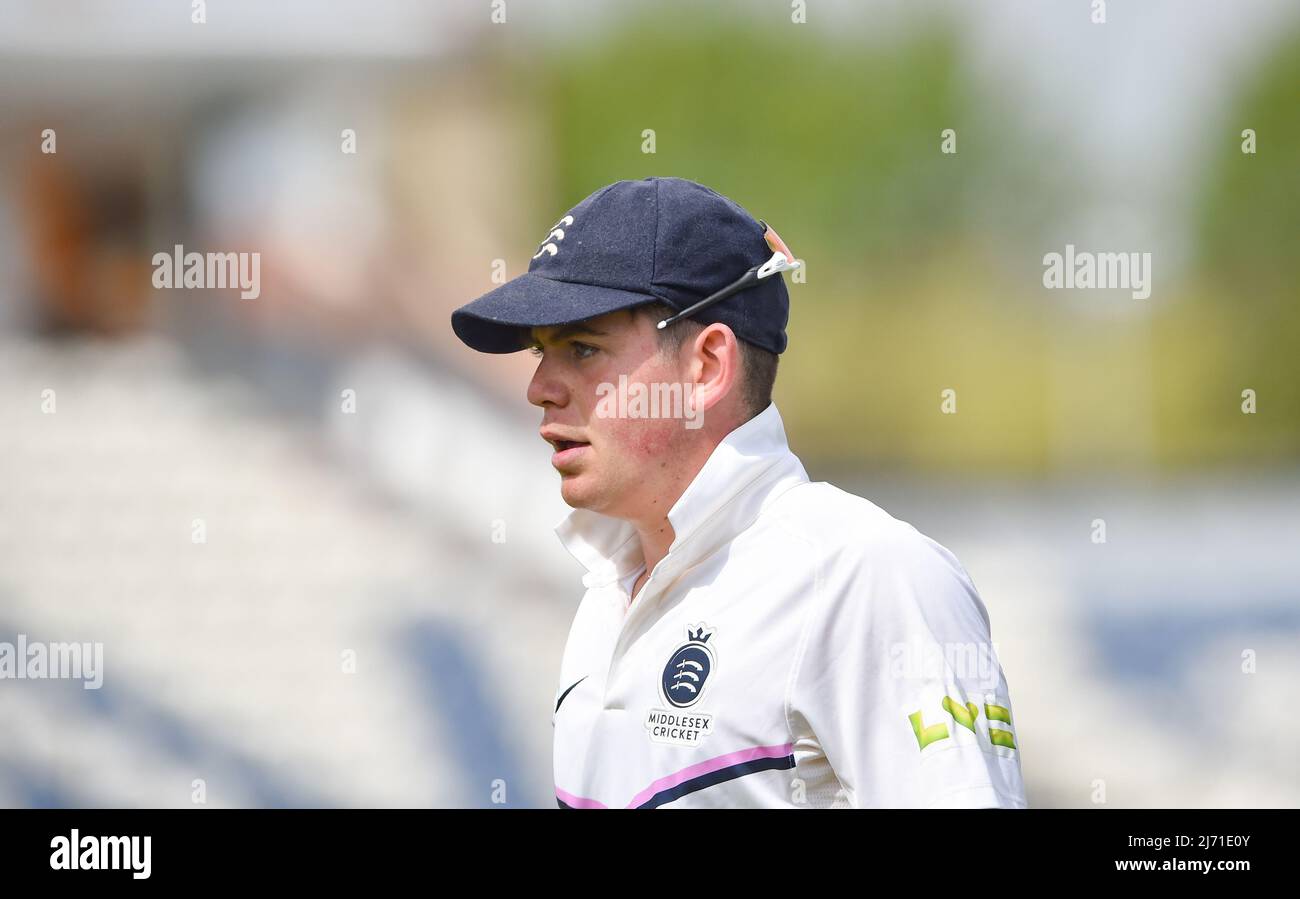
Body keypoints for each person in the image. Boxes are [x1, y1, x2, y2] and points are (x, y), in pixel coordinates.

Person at [451, 176, 1026, 808]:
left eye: (583, 348)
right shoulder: (609, 590)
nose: (540, 388)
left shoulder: (868, 574)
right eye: (541, 352)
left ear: (707, 367)